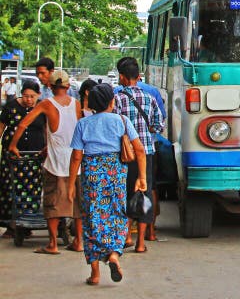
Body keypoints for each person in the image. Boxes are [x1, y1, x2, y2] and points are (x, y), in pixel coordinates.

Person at [67, 83, 147, 285]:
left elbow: (76, 157)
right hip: (116, 173)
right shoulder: (122, 120)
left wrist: (70, 185)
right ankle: (113, 255)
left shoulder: (83, 124)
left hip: (91, 174)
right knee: (118, 215)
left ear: (91, 104)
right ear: (112, 102)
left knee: (92, 219)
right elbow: (139, 150)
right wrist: (142, 177)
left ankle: (95, 274)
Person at [8, 69, 83, 254]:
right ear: (67, 86)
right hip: (75, 161)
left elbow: (24, 123)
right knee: (77, 204)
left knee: (51, 203)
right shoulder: (76, 104)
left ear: (49, 86)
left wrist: (13, 145)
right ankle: (79, 241)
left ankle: (52, 244)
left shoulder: (47, 104)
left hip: (55, 161)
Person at [113, 58, 164, 253]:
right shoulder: (149, 98)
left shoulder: (117, 98)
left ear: (122, 77)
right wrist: (148, 129)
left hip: (126, 155)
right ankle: (141, 242)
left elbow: (115, 125)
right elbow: (159, 125)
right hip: (147, 153)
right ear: (138, 76)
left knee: (125, 193)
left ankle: (126, 236)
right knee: (144, 194)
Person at [0, 80, 46, 238]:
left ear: (38, 95)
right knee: (10, 188)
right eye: (26, 96)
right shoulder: (11, 106)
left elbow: (47, 129)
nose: (28, 100)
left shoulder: (42, 108)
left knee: (31, 188)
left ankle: (28, 223)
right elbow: (1, 126)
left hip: (35, 154)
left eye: (32, 96)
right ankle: (11, 225)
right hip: (12, 155)